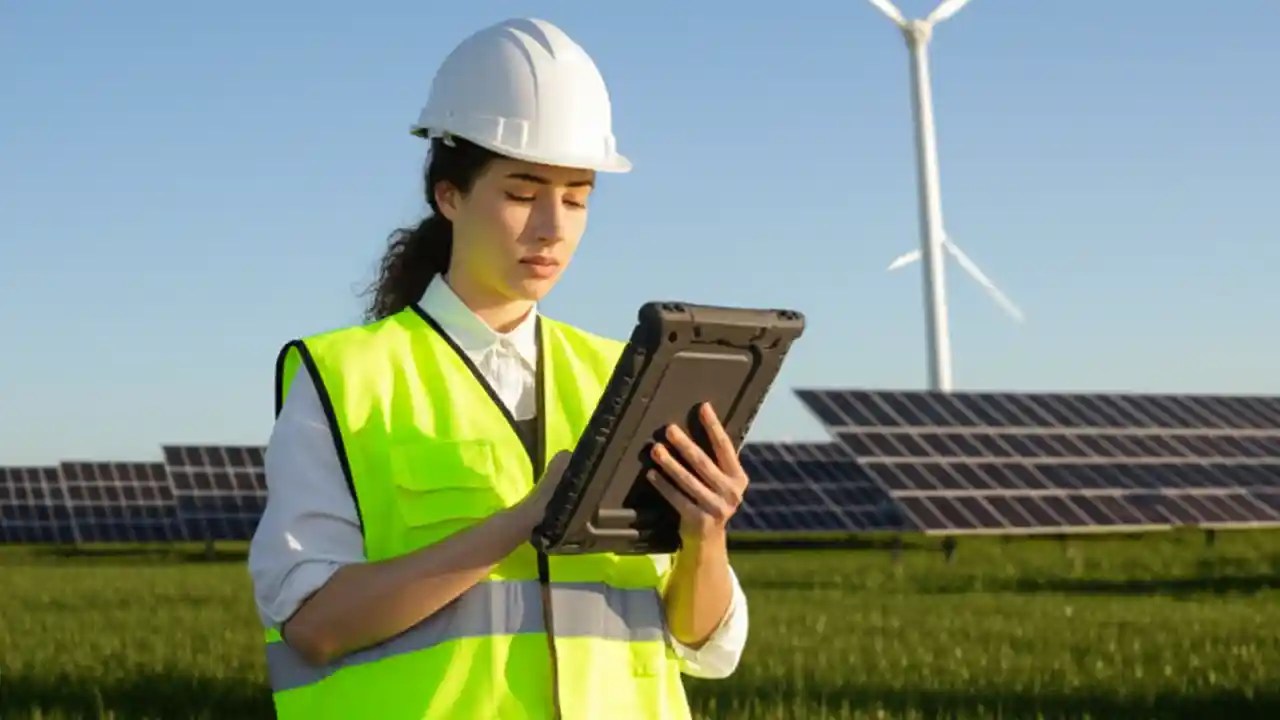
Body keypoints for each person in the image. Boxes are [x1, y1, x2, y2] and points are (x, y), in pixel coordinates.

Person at [248, 17, 750, 720]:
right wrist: (527, 518)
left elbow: (704, 646)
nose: (553, 226)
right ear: (448, 195)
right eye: (522, 193)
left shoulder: (625, 375)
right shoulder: (344, 378)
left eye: (577, 197)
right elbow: (314, 623)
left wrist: (707, 533)